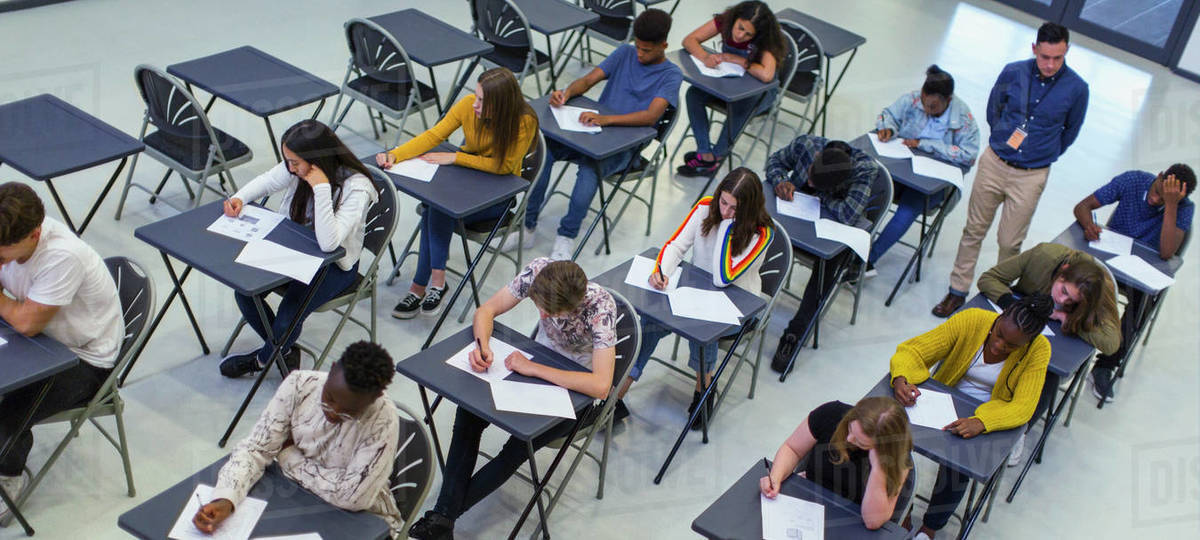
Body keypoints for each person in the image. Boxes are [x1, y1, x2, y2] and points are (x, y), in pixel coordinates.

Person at [409, 259, 616, 539]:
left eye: (551, 311)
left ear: (573, 305)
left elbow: (601, 386)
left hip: (574, 392)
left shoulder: (600, 307)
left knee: (517, 448)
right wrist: (482, 346)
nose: (542, 316)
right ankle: (443, 520)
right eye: (538, 305)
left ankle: (443, 516)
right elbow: (487, 311)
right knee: (467, 414)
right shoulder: (540, 271)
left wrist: (533, 369)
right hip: (529, 368)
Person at [932, 22, 1089, 318]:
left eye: (1058, 58)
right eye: (1045, 57)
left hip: (1031, 175)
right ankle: (957, 291)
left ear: (1067, 51)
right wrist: (1005, 138)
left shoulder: (1078, 88)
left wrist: (1044, 152)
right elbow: (995, 110)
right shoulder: (1013, 72)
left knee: (1009, 243)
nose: (1051, 64)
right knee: (973, 230)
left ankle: (995, 295)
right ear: (1034, 49)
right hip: (995, 163)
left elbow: (1071, 130)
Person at [516, 8, 682, 261]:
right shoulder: (626, 52)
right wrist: (567, 93)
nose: (639, 53)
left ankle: (567, 235)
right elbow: (589, 79)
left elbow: (651, 116)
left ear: (664, 45)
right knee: (543, 149)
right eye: (638, 46)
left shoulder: (671, 75)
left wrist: (607, 119)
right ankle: (527, 226)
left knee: (589, 169)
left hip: (626, 145)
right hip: (593, 132)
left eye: (646, 50)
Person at [0, 182, 123, 518]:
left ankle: (8, 478)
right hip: (40, 341)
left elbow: (27, 323)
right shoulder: (10, 233)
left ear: (34, 235)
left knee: (5, 415)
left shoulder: (61, 256)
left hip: (80, 359)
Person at [192, 342, 404, 537]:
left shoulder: (383, 420)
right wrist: (226, 498)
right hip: (298, 498)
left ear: (372, 400)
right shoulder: (299, 385)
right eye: (329, 398)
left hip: (364, 521)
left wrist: (287, 455)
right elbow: (255, 449)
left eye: (348, 413)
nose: (333, 412)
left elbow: (353, 497)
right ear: (330, 371)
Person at [220, 120, 378, 378]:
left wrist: (321, 188)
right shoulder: (297, 168)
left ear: (317, 160)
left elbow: (330, 244)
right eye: (288, 162)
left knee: (286, 319)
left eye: (295, 163)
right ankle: (283, 350)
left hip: (334, 265)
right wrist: (240, 197)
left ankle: (262, 359)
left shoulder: (357, 188)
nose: (290, 169)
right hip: (294, 249)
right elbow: (268, 181)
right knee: (245, 292)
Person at [376, 67, 538, 319]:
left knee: (437, 207)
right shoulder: (467, 106)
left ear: (501, 105)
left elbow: (503, 166)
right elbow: (434, 135)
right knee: (436, 206)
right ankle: (433, 284)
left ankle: (422, 286)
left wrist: (456, 157)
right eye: (476, 96)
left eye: (483, 101)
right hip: (467, 183)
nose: (475, 104)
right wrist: (395, 154)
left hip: (498, 197)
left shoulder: (523, 121)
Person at [616, 167, 773, 425]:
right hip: (695, 293)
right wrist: (661, 271)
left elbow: (724, 277)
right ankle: (618, 393)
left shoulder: (761, 234)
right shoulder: (705, 208)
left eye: (735, 208)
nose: (725, 211)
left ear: (749, 208)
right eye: (723, 202)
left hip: (737, 307)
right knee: (649, 322)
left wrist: (726, 229)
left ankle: (704, 388)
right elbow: (676, 246)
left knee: (702, 332)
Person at [890, 295, 1052, 540]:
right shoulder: (973, 319)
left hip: (988, 412)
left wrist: (983, 422)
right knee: (896, 440)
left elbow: (1024, 406)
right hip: (944, 398)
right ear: (999, 317)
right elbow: (915, 349)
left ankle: (930, 527)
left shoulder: (1039, 350)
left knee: (960, 463)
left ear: (1027, 343)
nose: (999, 346)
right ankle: (902, 513)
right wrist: (901, 376)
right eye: (998, 334)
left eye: (1010, 345)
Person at [976, 242, 1120, 464]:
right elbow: (988, 279)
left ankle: (1018, 431)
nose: (1062, 301)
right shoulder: (1043, 255)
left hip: (1054, 347)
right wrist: (1011, 306)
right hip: (1019, 323)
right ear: (1062, 273)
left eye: (1072, 301)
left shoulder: (1099, 287)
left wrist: (1071, 320)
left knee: (1048, 372)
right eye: (1063, 291)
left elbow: (1111, 343)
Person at [1071, 164, 1195, 402]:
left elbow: (1167, 252)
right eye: (1158, 191)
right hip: (1109, 259)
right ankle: (1068, 339)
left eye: (1166, 198)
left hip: (1141, 273)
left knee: (1141, 307)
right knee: (1073, 275)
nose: (1156, 199)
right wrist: (1089, 226)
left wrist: (1171, 206)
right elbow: (1082, 207)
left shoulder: (1184, 209)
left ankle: (1105, 365)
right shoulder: (1133, 180)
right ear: (1158, 176)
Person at [765, 136, 878, 374]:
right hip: (795, 219)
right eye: (808, 175)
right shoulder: (806, 145)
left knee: (828, 265)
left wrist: (819, 196)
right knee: (760, 235)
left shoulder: (864, 169)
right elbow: (774, 162)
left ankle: (795, 333)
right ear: (816, 158)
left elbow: (848, 215)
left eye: (814, 182)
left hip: (829, 234)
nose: (807, 181)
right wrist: (780, 181)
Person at [870, 65, 980, 271]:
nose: (926, 109)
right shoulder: (913, 100)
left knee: (908, 208)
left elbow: (969, 155)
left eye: (933, 108)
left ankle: (867, 260)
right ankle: (853, 247)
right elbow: (888, 114)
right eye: (924, 102)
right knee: (871, 186)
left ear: (948, 100)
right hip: (902, 169)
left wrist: (925, 144)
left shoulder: (964, 119)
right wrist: (887, 127)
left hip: (934, 184)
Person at [761, 397, 913, 530]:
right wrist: (775, 477)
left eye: (860, 442)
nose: (849, 439)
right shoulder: (832, 413)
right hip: (807, 507)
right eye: (850, 428)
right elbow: (792, 449)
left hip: (850, 523)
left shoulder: (897, 459)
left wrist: (879, 467)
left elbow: (872, 521)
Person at [677, 1, 785, 177]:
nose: (740, 35)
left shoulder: (767, 39)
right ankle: (705, 152)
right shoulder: (725, 20)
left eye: (748, 34)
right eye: (739, 28)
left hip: (758, 94)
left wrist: (739, 60)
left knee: (740, 106)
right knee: (693, 95)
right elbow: (689, 40)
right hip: (728, 83)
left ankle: (717, 157)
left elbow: (766, 75)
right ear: (735, 19)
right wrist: (705, 57)